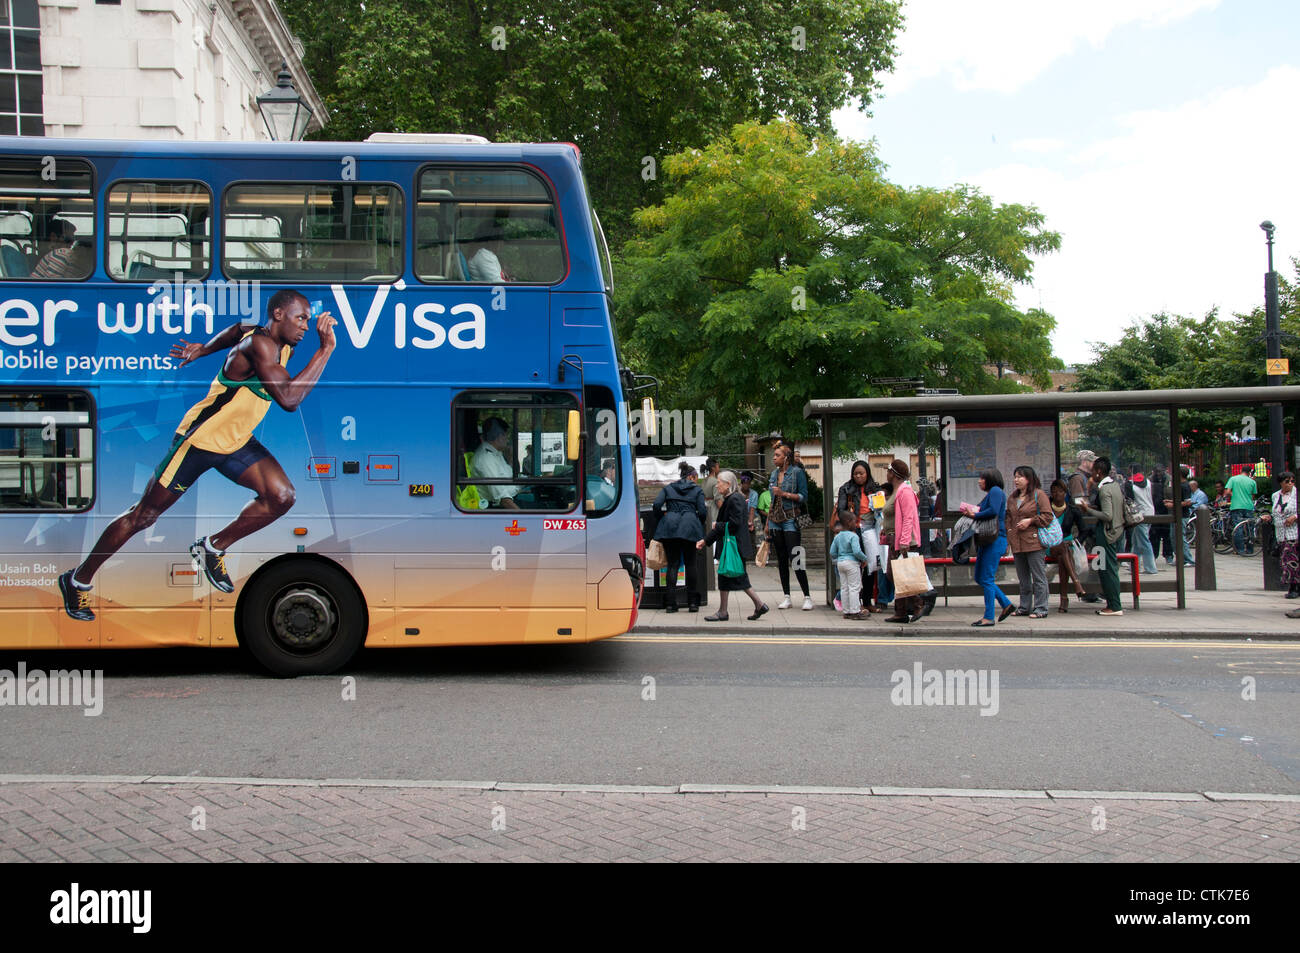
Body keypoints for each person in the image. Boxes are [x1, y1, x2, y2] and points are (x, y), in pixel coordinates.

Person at [59, 291, 337, 621]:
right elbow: (290, 400)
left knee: (281, 496)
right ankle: (77, 580)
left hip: (235, 441)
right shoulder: (261, 345)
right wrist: (326, 349)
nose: (306, 326)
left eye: (307, 319)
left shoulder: (273, 340)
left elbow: (235, 329)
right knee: (144, 516)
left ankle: (213, 546)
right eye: (300, 318)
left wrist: (203, 350)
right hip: (200, 440)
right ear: (278, 314)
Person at [696, 471, 767, 621]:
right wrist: (706, 541)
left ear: (728, 484)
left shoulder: (735, 499)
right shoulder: (732, 498)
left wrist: (717, 524)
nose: (717, 485)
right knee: (728, 578)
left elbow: (734, 524)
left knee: (737, 578)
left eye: (720, 482)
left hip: (734, 546)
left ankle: (755, 605)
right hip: (733, 545)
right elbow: (723, 528)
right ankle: (730, 610)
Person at [652, 461, 707, 613]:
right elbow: (702, 512)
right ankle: (693, 604)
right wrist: (697, 522)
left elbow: (656, 505)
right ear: (692, 476)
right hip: (689, 527)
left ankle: (670, 604)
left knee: (673, 564)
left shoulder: (669, 488)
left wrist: (662, 518)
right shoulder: (697, 490)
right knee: (691, 564)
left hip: (670, 527)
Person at [962, 469, 1013, 626]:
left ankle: (989, 616)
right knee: (979, 576)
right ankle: (1006, 604)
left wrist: (974, 515)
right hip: (987, 539)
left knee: (987, 578)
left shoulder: (996, 491)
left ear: (990, 479)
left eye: (982, 478)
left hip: (995, 539)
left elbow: (993, 511)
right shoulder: (990, 493)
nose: (979, 481)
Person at [766, 443, 813, 610]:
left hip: (791, 518)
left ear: (786, 457)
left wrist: (784, 494)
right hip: (775, 519)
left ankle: (807, 596)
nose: (774, 458)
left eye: (777, 455)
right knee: (781, 558)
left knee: (796, 557)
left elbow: (803, 497)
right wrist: (767, 523)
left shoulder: (797, 473)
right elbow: (772, 500)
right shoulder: (773, 474)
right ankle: (787, 596)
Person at [836, 460, 886, 613]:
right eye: (855, 473)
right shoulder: (846, 488)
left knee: (870, 565)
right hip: (854, 530)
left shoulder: (874, 489)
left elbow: (881, 509)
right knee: (855, 566)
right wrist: (850, 522)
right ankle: (855, 602)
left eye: (861, 473)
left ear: (867, 474)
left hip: (871, 530)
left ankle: (867, 600)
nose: (858, 476)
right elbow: (841, 510)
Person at [1005, 465, 1053, 618]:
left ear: (1029, 479)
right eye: (1015, 476)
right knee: (1023, 577)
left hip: (1034, 542)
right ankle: (1024, 606)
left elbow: (1048, 516)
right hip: (1017, 542)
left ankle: (1041, 608)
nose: (1016, 480)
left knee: (1038, 576)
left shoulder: (1039, 495)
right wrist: (1009, 532)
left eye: (1020, 477)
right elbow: (1008, 517)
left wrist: (1030, 521)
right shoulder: (1012, 498)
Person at [1080, 456, 1124, 616]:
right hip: (1115, 532)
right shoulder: (1115, 486)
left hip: (1106, 533)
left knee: (1107, 570)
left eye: (1093, 471)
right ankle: (1113, 603)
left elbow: (1107, 515)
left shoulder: (1104, 490)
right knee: (1109, 568)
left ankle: (1114, 605)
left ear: (1098, 472)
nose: (1091, 474)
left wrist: (1088, 510)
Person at [883, 459, 923, 624]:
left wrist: (905, 541)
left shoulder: (905, 491)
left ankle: (918, 602)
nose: (887, 473)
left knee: (898, 574)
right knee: (898, 574)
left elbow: (908, 518)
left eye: (888, 471)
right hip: (895, 539)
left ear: (893, 474)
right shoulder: (897, 490)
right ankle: (900, 612)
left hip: (902, 541)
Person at [1048, 478, 1089, 612]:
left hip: (1067, 545)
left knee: (1062, 556)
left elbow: (1084, 531)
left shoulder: (1073, 510)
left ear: (1065, 493)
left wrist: (1074, 541)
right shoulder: (1046, 509)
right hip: (1051, 545)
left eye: (1060, 491)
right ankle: (1076, 584)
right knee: (1063, 549)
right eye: (1054, 492)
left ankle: (1064, 599)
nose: (1057, 494)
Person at [1260, 472, 1300, 599]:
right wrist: (1269, 517)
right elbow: (1276, 513)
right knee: (1286, 561)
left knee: (1291, 560)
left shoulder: (1297, 494)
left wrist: (1295, 517)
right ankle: (1293, 586)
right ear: (1281, 482)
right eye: (1287, 481)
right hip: (1281, 534)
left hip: (1294, 533)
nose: (1290, 483)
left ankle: (1295, 588)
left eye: (1292, 481)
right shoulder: (1275, 496)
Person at [471, 416, 521, 509]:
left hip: (513, 497)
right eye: (506, 435)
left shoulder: (496, 453)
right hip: (499, 507)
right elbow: (502, 498)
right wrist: (524, 517)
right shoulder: (486, 458)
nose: (507, 439)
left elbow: (509, 474)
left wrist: (511, 457)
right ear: (499, 437)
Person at [830, 515, 870, 620]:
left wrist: (840, 556)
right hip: (852, 563)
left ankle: (846, 611)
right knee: (854, 587)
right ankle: (855, 611)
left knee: (844, 588)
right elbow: (857, 551)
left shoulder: (838, 536)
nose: (855, 524)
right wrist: (864, 559)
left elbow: (832, 552)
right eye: (854, 521)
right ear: (848, 522)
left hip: (840, 563)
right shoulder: (853, 536)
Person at [1124, 467, 1158, 574]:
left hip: (1138, 514)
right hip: (1150, 511)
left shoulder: (1129, 483)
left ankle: (1151, 568)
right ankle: (1134, 566)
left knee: (1143, 541)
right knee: (1136, 540)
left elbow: (1129, 500)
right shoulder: (1148, 481)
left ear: (1131, 470)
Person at [1224, 468, 1259, 555]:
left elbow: (1227, 492)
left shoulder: (1233, 479)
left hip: (1236, 506)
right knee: (1250, 528)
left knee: (1238, 527)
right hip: (1248, 506)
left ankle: (1240, 550)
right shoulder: (1252, 482)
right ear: (1249, 472)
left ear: (1241, 471)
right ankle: (1250, 549)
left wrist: (1234, 495)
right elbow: (1253, 496)